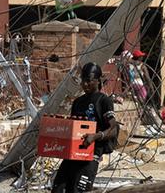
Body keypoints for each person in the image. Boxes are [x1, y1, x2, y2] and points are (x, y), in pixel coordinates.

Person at [51, 63, 120, 193]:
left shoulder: (104, 101)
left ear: (98, 80)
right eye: (83, 81)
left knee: (79, 190)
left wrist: (95, 136)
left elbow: (113, 128)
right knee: (58, 187)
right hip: (72, 154)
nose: (85, 84)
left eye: (89, 81)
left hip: (90, 155)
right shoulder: (78, 102)